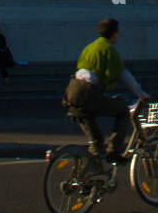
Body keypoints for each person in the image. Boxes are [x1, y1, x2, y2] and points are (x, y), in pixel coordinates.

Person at [62, 18, 148, 163]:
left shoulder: (89, 47)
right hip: (88, 96)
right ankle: (114, 150)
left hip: (72, 94)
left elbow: (89, 75)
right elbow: (123, 74)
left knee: (97, 142)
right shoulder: (109, 49)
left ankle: (91, 170)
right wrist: (141, 94)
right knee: (123, 111)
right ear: (114, 34)